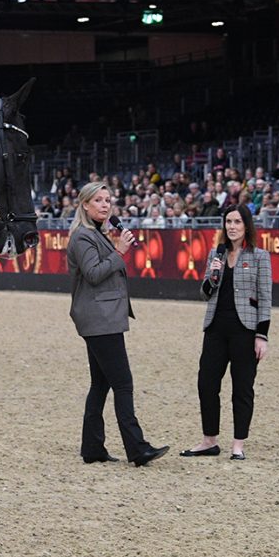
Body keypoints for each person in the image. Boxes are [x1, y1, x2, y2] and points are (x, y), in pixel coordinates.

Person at [66, 182, 169, 468]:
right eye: (98, 200)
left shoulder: (95, 234)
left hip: (102, 317)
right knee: (123, 383)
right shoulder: (83, 237)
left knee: (100, 384)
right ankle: (137, 448)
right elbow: (94, 273)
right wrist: (120, 251)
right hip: (100, 318)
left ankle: (92, 447)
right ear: (85, 205)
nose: (105, 205)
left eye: (108, 200)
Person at [182, 205, 272, 461]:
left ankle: (238, 445)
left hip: (245, 331)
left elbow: (265, 298)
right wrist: (213, 275)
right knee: (206, 383)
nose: (232, 226)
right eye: (228, 222)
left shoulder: (259, 256)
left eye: (237, 222)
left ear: (246, 226)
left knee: (242, 388)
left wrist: (261, 336)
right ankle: (209, 440)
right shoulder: (216, 254)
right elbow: (205, 293)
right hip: (216, 328)